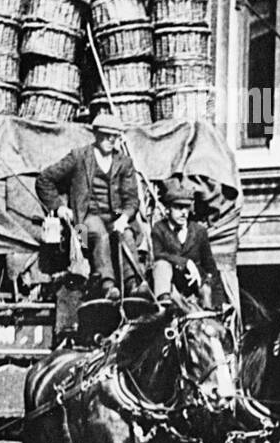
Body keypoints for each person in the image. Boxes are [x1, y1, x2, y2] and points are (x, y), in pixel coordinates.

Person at [35, 113, 141, 302]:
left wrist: (124, 218)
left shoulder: (124, 163)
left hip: (114, 217)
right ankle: (107, 285)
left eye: (114, 136)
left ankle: (133, 285)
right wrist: (59, 208)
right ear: (96, 134)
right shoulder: (79, 157)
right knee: (99, 234)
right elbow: (45, 179)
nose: (110, 140)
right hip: (81, 226)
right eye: (106, 135)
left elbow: (132, 199)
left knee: (127, 234)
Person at [150, 179, 226, 308]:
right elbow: (158, 254)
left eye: (186, 207)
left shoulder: (199, 231)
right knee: (161, 265)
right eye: (178, 207)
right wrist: (185, 262)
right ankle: (164, 303)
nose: (184, 212)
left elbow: (210, 267)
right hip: (171, 288)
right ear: (168, 209)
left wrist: (220, 302)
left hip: (196, 290)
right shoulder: (159, 229)